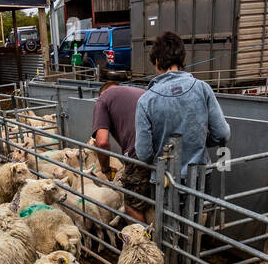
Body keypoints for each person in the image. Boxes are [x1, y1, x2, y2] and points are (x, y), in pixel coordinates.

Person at [134, 32, 230, 182]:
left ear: (157, 62)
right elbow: (222, 133)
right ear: (181, 60)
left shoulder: (146, 101)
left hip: (164, 181)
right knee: (200, 206)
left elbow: (144, 153)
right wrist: (198, 141)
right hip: (200, 178)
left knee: (165, 207)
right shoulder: (203, 89)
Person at [90, 81, 148, 222]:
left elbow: (102, 142)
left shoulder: (103, 99)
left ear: (102, 94)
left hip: (139, 155)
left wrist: (105, 169)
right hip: (167, 152)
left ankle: (145, 242)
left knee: (132, 206)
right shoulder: (142, 92)